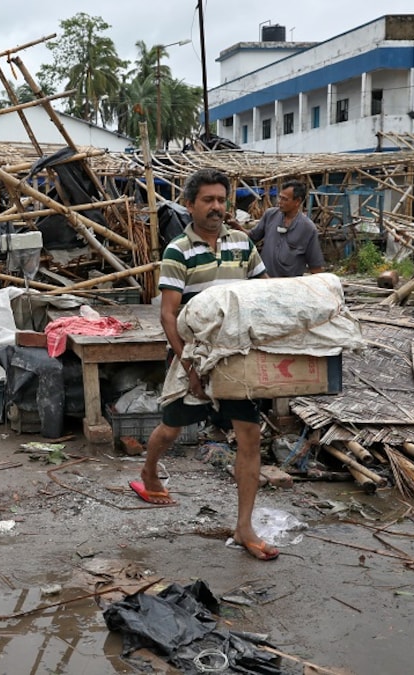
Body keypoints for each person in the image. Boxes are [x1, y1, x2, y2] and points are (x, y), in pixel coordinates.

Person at [131, 168, 280, 561]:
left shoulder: (243, 243)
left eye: (221, 200)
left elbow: (264, 292)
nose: (216, 207)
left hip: (236, 358)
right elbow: (168, 314)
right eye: (207, 200)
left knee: (249, 435)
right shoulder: (178, 250)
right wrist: (190, 367)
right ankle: (149, 471)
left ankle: (244, 527)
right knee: (171, 428)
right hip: (194, 356)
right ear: (189, 205)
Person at [246, 180, 325, 278]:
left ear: (297, 201)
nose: (279, 202)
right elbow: (252, 237)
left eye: (284, 199)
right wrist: (236, 226)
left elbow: (315, 266)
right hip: (264, 281)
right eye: (280, 197)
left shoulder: (308, 228)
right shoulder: (270, 215)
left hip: (288, 285)